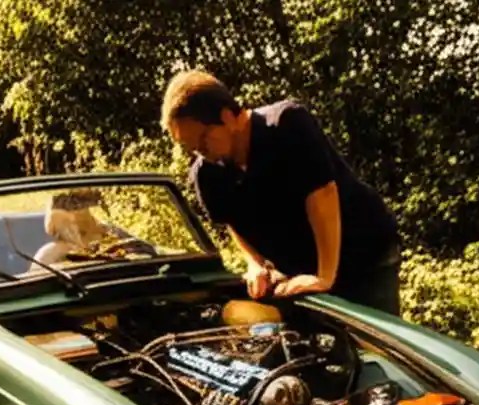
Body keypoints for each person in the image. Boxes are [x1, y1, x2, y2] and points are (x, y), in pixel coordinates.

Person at [160, 69, 402, 316]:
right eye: (190, 147)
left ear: (227, 117)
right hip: (300, 272)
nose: (200, 152)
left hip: (364, 256)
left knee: (378, 347)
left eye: (202, 140)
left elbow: (323, 196)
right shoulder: (206, 174)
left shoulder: (287, 124)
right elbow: (233, 221)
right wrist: (255, 263)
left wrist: (324, 276)